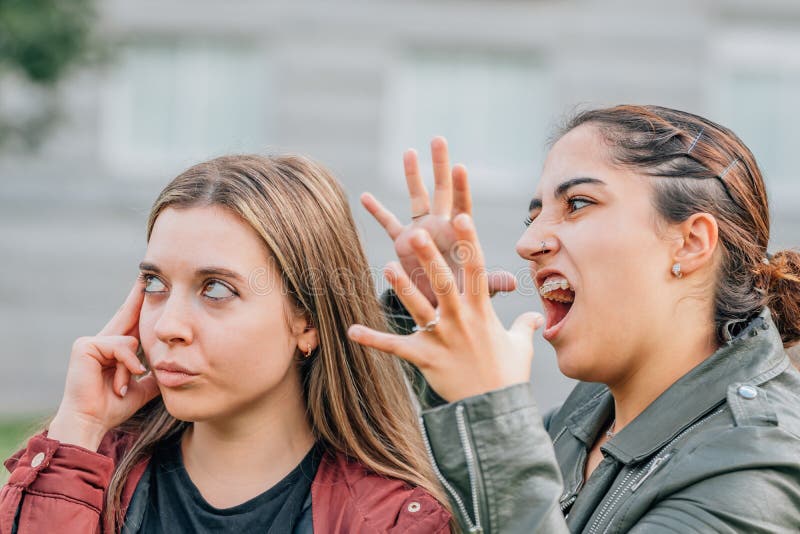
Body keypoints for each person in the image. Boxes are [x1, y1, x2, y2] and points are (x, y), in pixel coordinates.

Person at [349, 105, 800, 533]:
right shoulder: (580, 416)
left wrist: (491, 407)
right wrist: (436, 318)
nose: (528, 242)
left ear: (690, 242)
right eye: (535, 214)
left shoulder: (756, 457)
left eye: (578, 204)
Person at [0, 154, 452, 533]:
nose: (166, 326)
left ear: (308, 322)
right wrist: (77, 430)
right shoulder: (87, 478)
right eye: (155, 283)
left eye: (216, 289)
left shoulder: (388, 520)